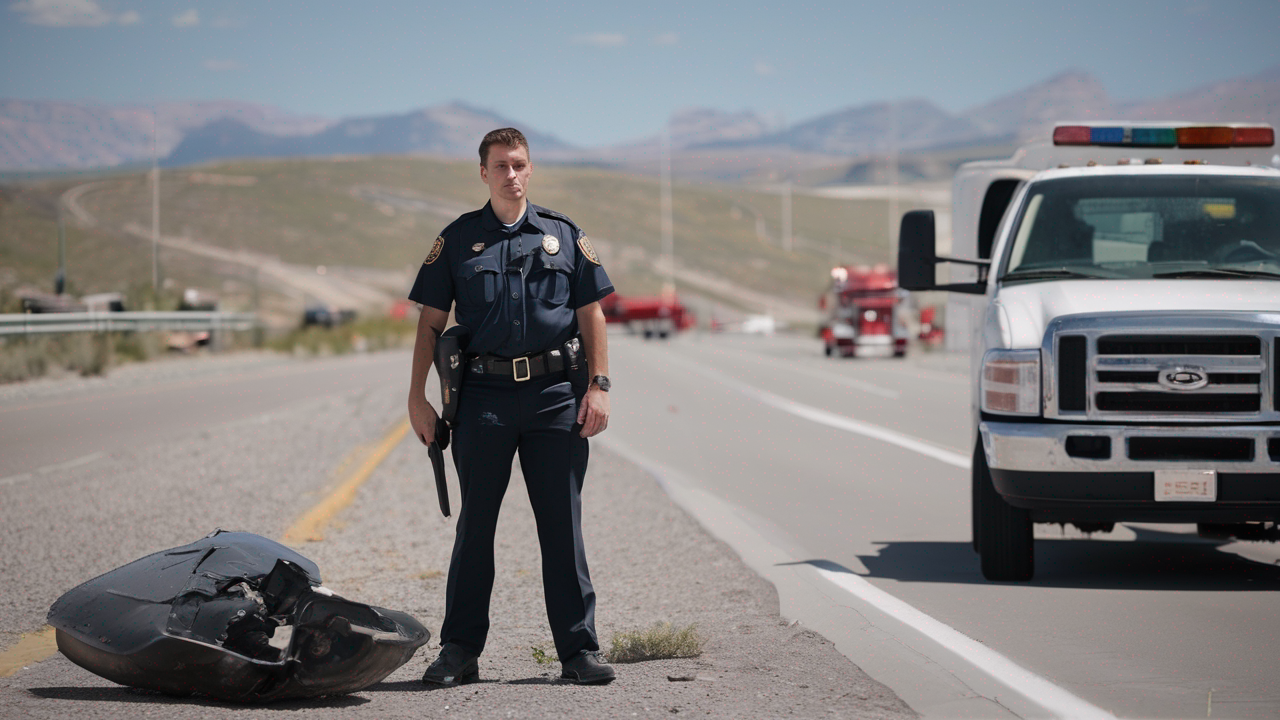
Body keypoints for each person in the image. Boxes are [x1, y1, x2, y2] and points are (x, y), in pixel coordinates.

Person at [406, 128, 616, 686]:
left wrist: (599, 385)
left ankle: (578, 653)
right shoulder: (457, 240)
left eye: (519, 164)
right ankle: (459, 652)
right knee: (476, 528)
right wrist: (416, 397)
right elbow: (430, 323)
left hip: (554, 398)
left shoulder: (564, 236)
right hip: (484, 399)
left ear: (531, 168)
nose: (511, 174)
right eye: (500, 166)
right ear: (484, 173)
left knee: (561, 527)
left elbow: (592, 315)